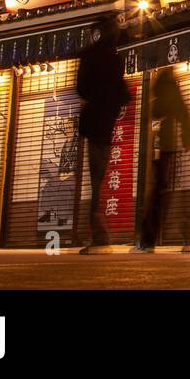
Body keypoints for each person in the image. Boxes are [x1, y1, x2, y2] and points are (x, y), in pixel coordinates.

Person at [75, 15, 128, 253]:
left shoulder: (89, 55)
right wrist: (114, 102)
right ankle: (97, 231)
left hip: (91, 122)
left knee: (94, 178)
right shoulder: (115, 59)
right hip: (105, 124)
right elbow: (122, 92)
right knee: (98, 178)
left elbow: (81, 88)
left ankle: (95, 230)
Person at [138, 66, 190, 251]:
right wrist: (187, 138)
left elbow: (149, 118)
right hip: (168, 149)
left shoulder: (157, 98)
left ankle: (148, 238)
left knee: (156, 191)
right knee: (161, 191)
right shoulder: (174, 95)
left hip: (156, 149)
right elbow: (185, 117)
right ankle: (151, 236)